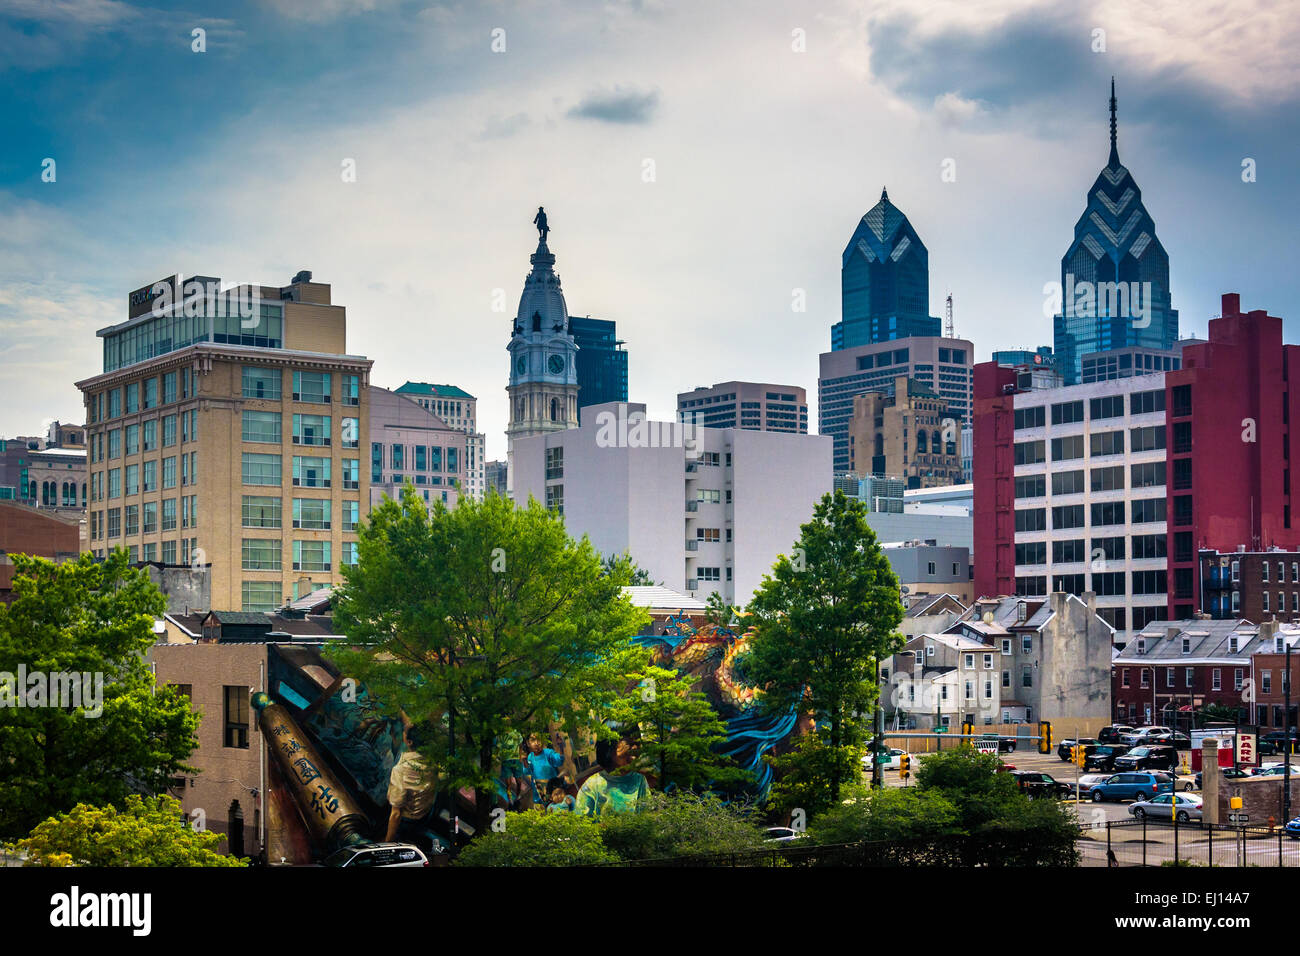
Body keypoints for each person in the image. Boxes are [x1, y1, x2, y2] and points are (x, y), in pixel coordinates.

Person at [386, 721, 438, 848]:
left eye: (404, 732)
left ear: (409, 742)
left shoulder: (401, 770)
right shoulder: (433, 764)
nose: (402, 733)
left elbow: (396, 814)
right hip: (424, 816)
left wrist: (386, 844)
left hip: (405, 823)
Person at [575, 733, 650, 818]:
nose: (635, 748)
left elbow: (646, 817)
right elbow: (580, 823)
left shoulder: (639, 780)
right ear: (609, 747)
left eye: (637, 743)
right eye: (630, 743)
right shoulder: (592, 785)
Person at [523, 732, 566, 804]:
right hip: (539, 796)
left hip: (554, 795)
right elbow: (527, 771)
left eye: (539, 740)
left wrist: (561, 747)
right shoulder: (530, 757)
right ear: (528, 743)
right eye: (533, 740)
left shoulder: (548, 753)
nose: (537, 743)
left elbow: (559, 760)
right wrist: (524, 761)